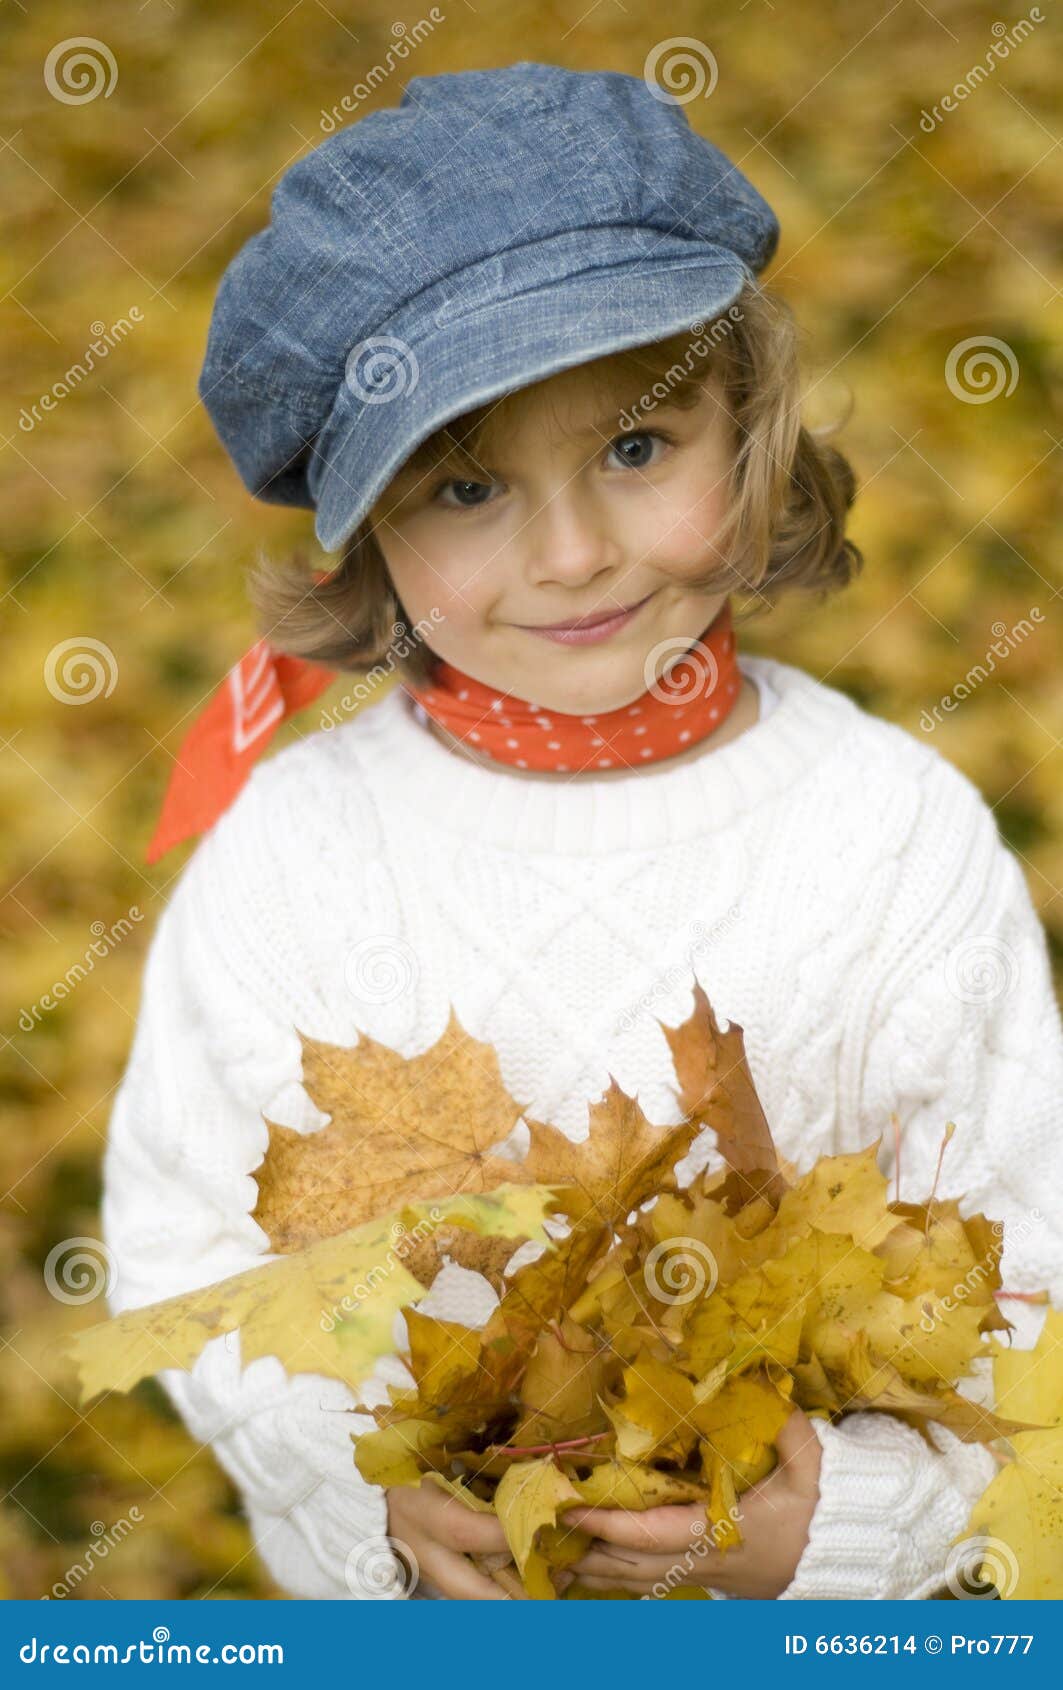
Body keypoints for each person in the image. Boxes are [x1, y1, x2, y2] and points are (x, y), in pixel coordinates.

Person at [101, 61, 1063, 1601]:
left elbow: (1034, 1265)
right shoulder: (294, 859)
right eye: (467, 486)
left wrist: (856, 1526)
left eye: (634, 448)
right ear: (367, 533)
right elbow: (186, 1253)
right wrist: (365, 1499)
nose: (568, 553)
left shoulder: (895, 836)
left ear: (746, 427)